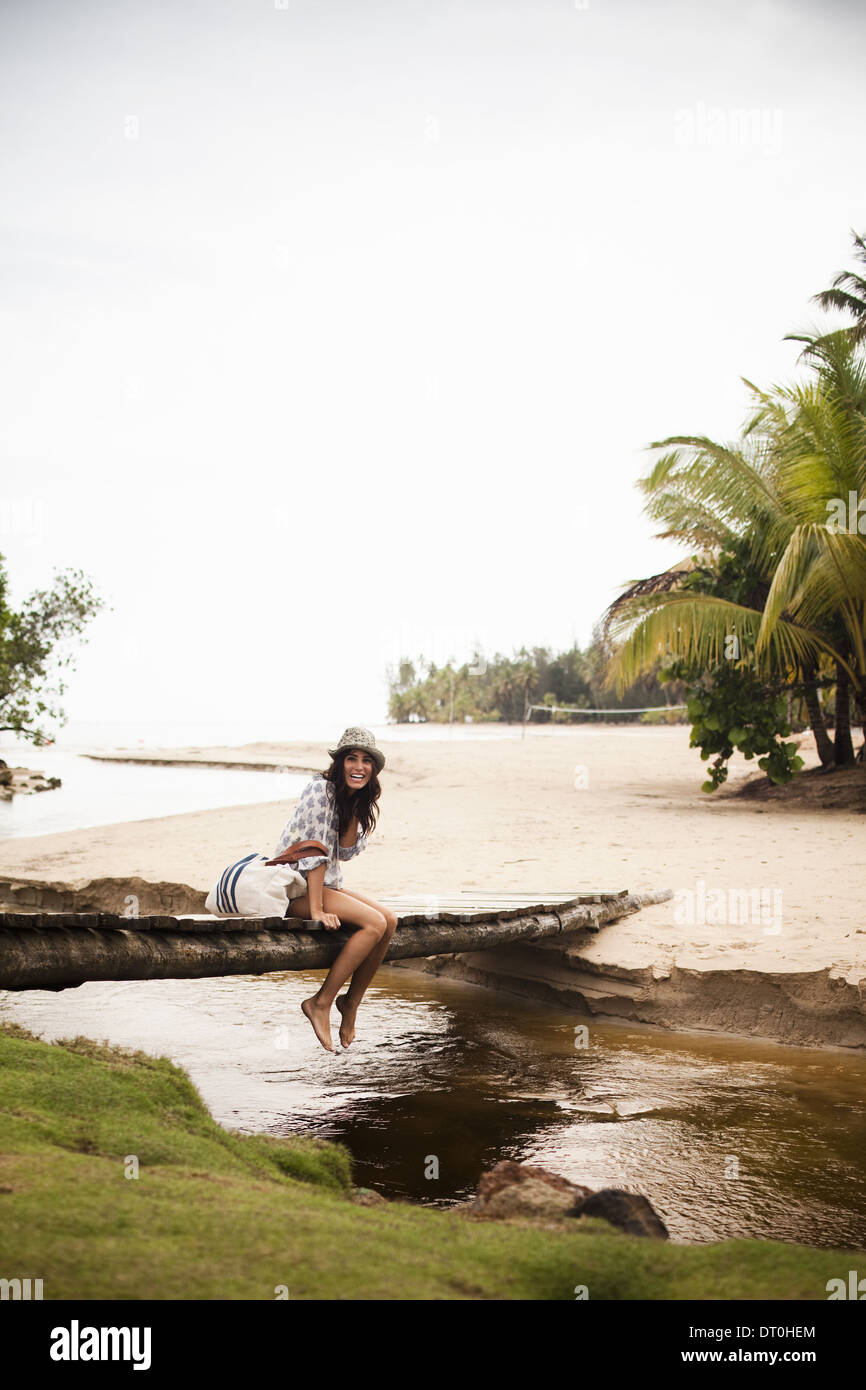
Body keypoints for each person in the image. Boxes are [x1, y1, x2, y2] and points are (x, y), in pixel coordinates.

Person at [273, 726, 398, 1052]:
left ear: (373, 768)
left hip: (322, 882)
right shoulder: (320, 791)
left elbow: (344, 851)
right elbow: (313, 854)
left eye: (366, 761)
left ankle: (350, 1004)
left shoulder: (347, 797)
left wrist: (354, 805)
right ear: (340, 762)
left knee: (390, 920)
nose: (359, 766)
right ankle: (321, 1002)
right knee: (375, 923)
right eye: (352, 759)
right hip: (293, 888)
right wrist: (317, 911)